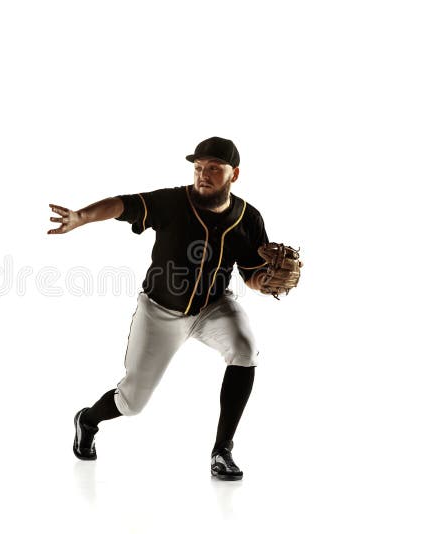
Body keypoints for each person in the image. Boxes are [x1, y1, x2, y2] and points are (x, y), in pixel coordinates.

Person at [48, 137, 275, 481]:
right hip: (160, 311)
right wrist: (82, 216)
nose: (204, 174)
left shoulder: (248, 217)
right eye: (199, 167)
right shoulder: (173, 201)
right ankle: (88, 420)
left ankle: (221, 451)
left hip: (214, 306)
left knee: (245, 349)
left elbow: (252, 275)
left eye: (214, 168)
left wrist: (266, 281)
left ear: (234, 174)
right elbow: (122, 205)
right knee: (132, 402)